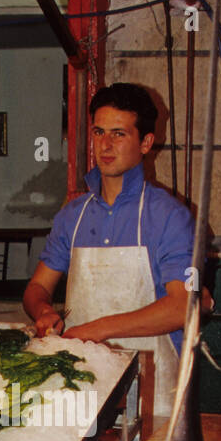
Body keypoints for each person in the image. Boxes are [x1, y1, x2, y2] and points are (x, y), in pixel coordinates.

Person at [23, 83, 196, 417]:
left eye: (119, 134)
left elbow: (182, 307)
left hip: (154, 390)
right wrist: (43, 311)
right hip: (82, 384)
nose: (105, 144)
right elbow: (37, 287)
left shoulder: (170, 216)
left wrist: (95, 330)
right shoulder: (72, 216)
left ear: (146, 142)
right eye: (99, 132)